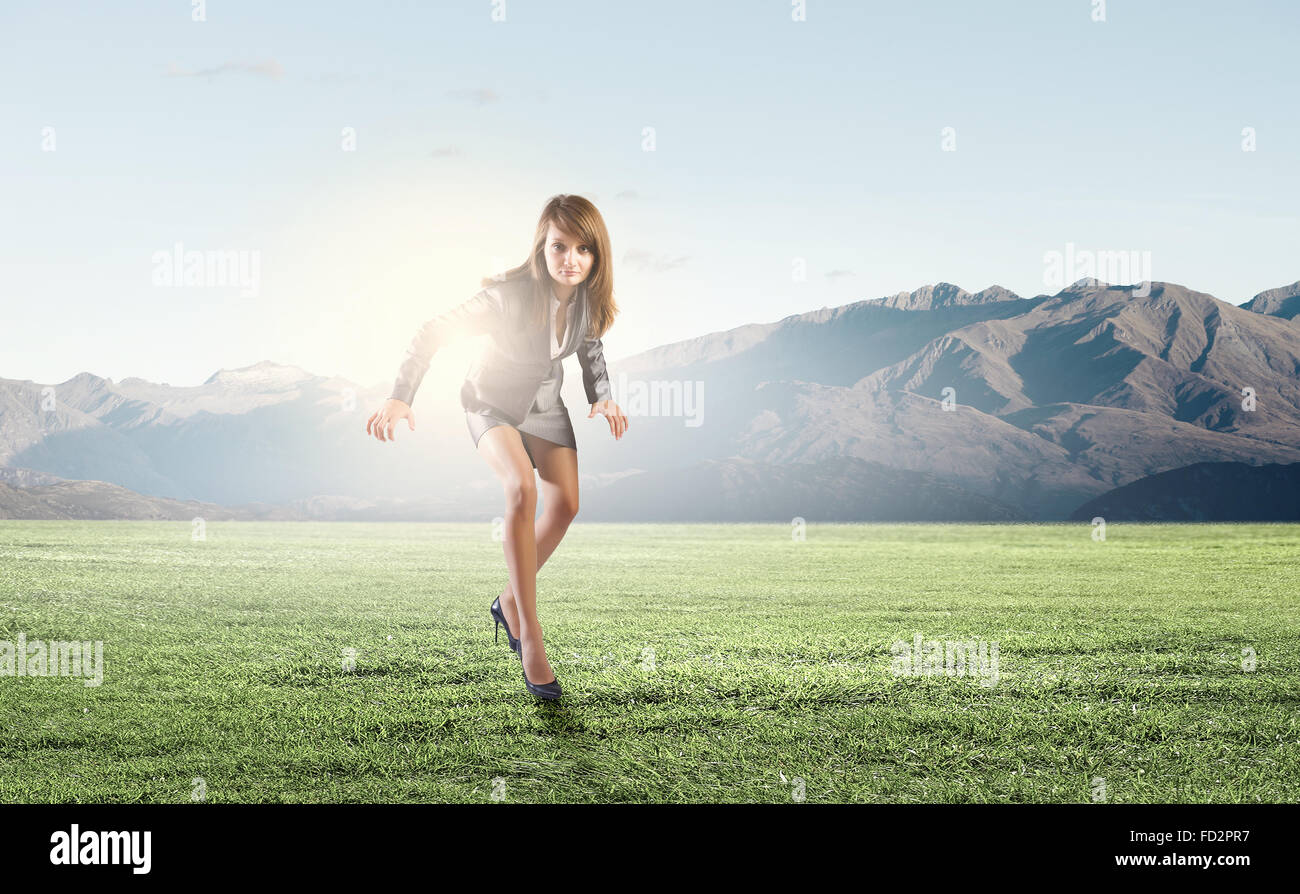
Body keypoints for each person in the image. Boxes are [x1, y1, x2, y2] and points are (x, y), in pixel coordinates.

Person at [366, 194, 628, 700]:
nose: (570, 259)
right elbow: (433, 331)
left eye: (583, 249)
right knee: (520, 488)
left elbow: (590, 347)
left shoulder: (588, 301)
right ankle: (531, 635)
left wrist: (604, 397)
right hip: (491, 402)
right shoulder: (507, 297)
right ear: (540, 246)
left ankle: (508, 601)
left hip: (546, 404)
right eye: (558, 246)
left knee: (568, 504)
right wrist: (401, 396)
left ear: (597, 256)